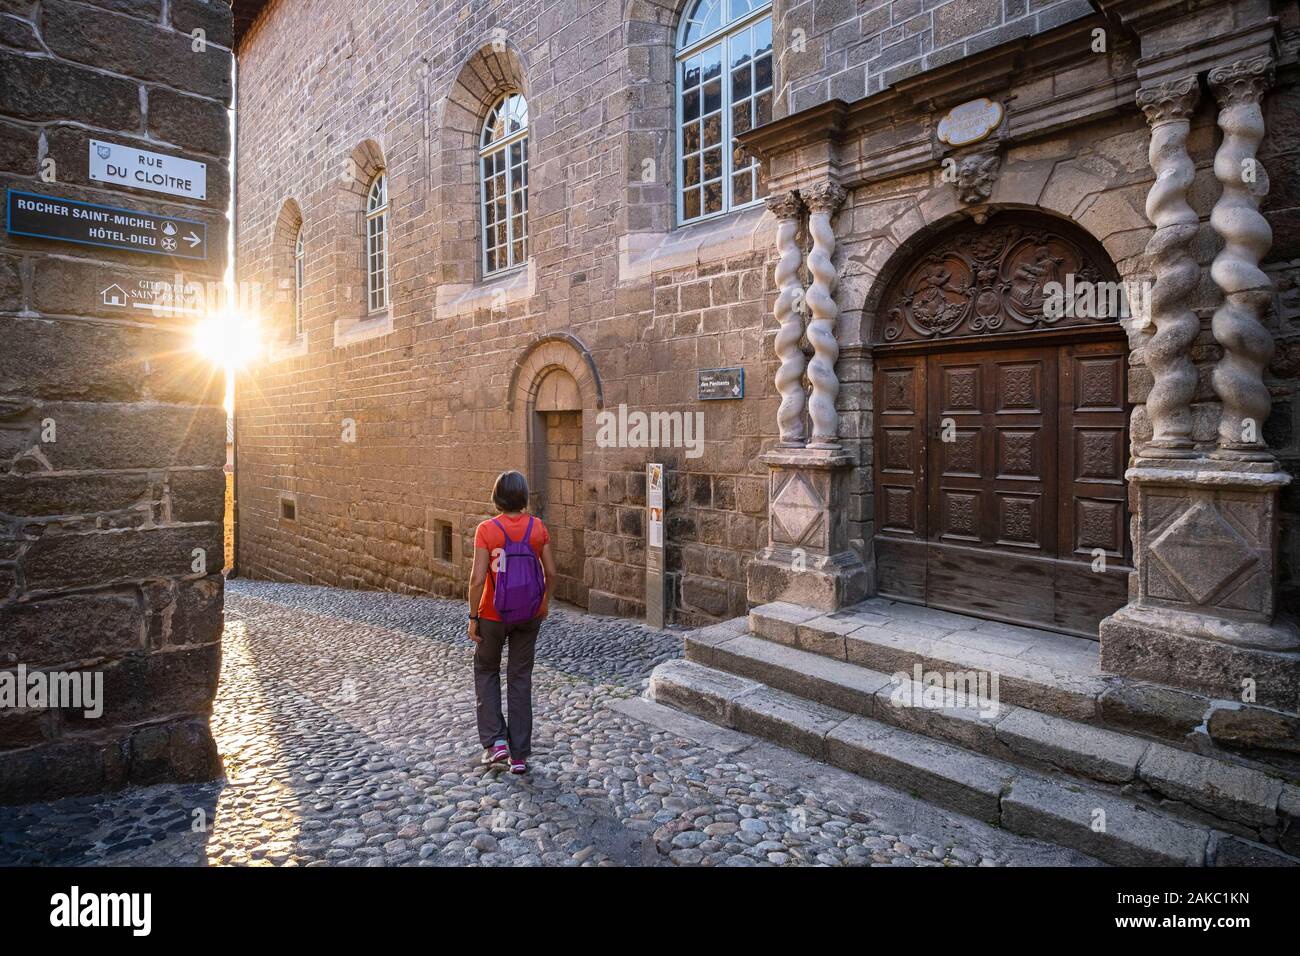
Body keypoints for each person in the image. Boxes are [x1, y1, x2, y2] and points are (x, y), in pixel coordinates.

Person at [467, 470, 556, 775]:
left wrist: (473, 617)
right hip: (528, 614)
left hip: (493, 615)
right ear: (523, 496)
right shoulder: (537, 528)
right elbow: (552, 572)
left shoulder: (487, 530)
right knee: (520, 678)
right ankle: (519, 755)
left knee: (486, 669)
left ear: (497, 497)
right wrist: (543, 603)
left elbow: (478, 578)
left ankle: (495, 743)